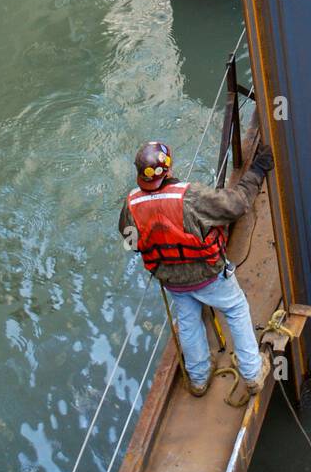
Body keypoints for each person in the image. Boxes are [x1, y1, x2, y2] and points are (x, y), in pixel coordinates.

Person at [118, 139, 275, 397]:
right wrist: (258, 169)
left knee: (189, 321)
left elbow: (132, 241)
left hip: (172, 280)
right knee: (236, 308)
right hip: (208, 275)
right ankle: (252, 372)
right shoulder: (189, 197)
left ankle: (199, 379)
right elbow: (237, 204)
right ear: (168, 169)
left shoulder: (131, 204)